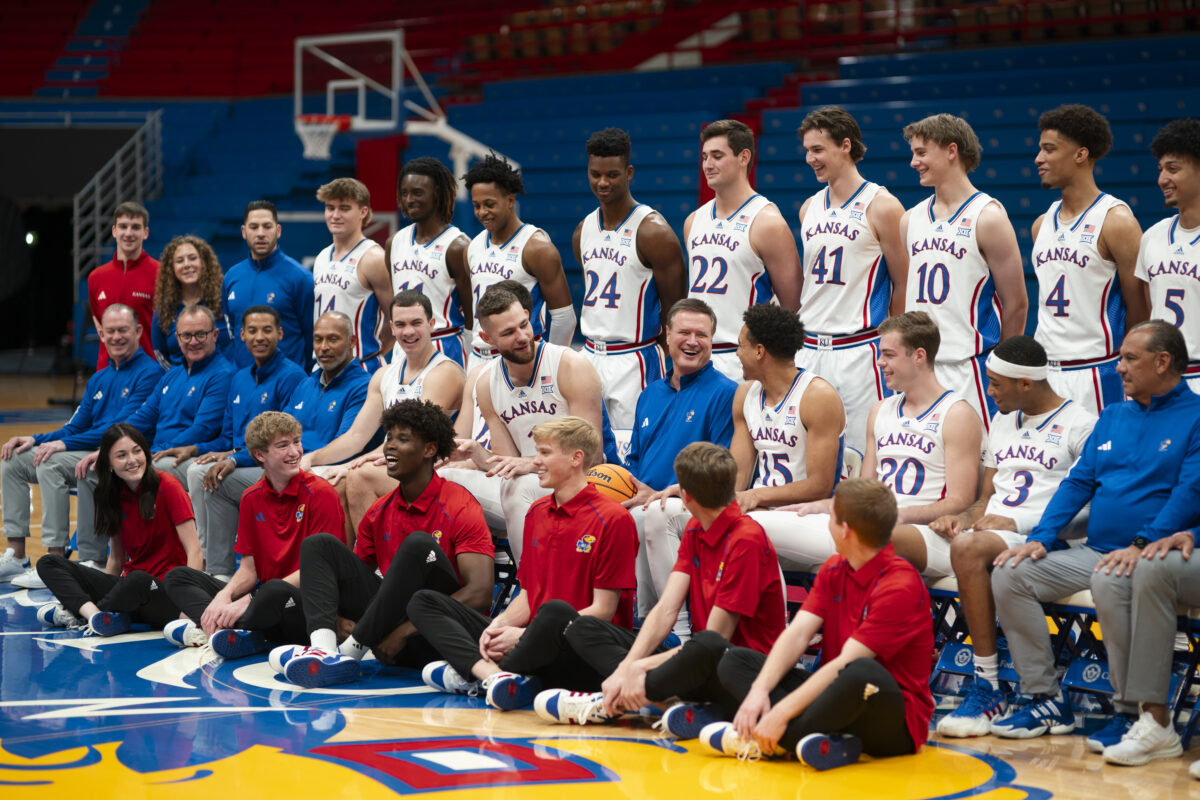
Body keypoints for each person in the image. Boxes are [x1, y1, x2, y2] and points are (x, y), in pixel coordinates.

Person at [990, 321, 1200, 745]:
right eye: (1119, 358)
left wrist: (1141, 543)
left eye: (1129, 359)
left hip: (1153, 554)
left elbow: (1188, 492)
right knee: (1011, 573)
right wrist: (1042, 537)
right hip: (1097, 550)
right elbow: (1078, 482)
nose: (1118, 368)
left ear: (1163, 362)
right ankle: (1045, 698)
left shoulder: (1195, 417)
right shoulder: (1112, 416)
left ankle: (1128, 710)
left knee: (1110, 577)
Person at [535, 442, 786, 738]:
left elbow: (716, 640)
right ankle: (669, 702)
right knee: (582, 627)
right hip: (697, 662)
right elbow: (666, 608)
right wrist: (629, 666)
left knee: (705, 647)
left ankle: (613, 702)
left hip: (737, 669)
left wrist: (639, 668)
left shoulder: (746, 540)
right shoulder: (695, 528)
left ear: (685, 496)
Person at [920, 336, 1095, 738]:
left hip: (1046, 540)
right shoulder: (1002, 420)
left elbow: (1091, 512)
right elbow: (985, 500)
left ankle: (987, 686)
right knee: (900, 541)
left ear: (1026, 384)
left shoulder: (1082, 425)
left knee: (968, 548)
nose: (989, 391)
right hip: (990, 536)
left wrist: (1019, 523)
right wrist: (960, 517)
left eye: (996, 383)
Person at [701, 479, 934, 771]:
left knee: (860, 671)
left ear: (845, 529)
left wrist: (781, 712)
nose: (827, 524)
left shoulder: (900, 585)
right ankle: (816, 739)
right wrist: (759, 690)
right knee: (735, 660)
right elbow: (797, 634)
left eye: (831, 517)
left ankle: (766, 739)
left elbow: (846, 664)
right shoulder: (835, 567)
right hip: (835, 695)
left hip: (892, 718)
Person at [410, 416, 637, 710]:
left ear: (576, 458)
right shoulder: (537, 512)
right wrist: (498, 627)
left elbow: (604, 611)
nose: (536, 461)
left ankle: (480, 674)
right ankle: (492, 675)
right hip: (531, 641)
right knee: (424, 601)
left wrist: (522, 637)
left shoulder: (613, 518)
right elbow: (529, 596)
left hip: (579, 649)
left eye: (545, 453)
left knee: (555, 612)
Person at [273, 399, 493, 687]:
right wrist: (336, 618)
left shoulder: (460, 504)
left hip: (439, 633)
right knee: (318, 545)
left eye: (403, 439)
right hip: (386, 633)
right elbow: (354, 579)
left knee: (417, 546)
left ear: (429, 450)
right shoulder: (380, 510)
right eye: (389, 437)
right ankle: (324, 651)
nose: (390, 446)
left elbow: (480, 594)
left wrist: (404, 630)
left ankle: (351, 651)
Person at [785, 311, 982, 574]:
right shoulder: (880, 410)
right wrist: (822, 506)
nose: (879, 362)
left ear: (919, 356)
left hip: (929, 534)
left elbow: (960, 500)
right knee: (759, 525)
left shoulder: (957, 414)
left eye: (889, 355)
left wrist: (899, 514)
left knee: (863, 539)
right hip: (875, 524)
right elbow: (864, 491)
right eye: (880, 354)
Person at [0, 305, 164, 585]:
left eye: (123, 330)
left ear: (138, 331)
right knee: (13, 458)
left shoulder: (150, 373)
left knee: (51, 463)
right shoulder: (99, 378)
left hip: (121, 455)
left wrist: (63, 444)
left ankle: (57, 560)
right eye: (110, 331)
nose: (116, 337)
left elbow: (118, 430)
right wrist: (36, 439)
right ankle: (17, 555)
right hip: (89, 450)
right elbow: (75, 426)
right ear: (101, 335)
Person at [199, 312, 370, 577]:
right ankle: (221, 574)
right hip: (285, 465)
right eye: (318, 339)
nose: (324, 347)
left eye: (333, 339)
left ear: (351, 342)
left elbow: (345, 444)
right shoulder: (307, 383)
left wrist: (304, 459)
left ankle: (317, 578)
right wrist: (235, 458)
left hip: (319, 470)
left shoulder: (362, 386)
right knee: (216, 481)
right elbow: (272, 436)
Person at [441, 287, 605, 561]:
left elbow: (591, 455)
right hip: (530, 485)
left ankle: (529, 583)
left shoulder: (570, 365)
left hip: (580, 483)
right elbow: (509, 464)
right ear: (487, 338)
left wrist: (535, 463)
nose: (522, 337)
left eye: (524, 325)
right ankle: (467, 577)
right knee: (441, 479)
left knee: (519, 487)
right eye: (508, 333)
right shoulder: (486, 383)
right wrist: (478, 456)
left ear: (529, 316)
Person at [161, 412, 346, 651]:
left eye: (297, 442)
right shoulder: (251, 497)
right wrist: (224, 596)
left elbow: (319, 571)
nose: (295, 452)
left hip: (300, 603)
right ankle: (239, 630)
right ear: (259, 454)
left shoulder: (321, 493)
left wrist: (251, 598)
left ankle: (229, 629)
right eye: (283, 445)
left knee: (275, 591)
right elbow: (248, 570)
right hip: (262, 601)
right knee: (178, 577)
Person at [75, 303, 234, 565]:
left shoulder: (222, 374)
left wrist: (146, 455)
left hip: (191, 458)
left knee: (136, 469)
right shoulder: (172, 376)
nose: (193, 341)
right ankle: (96, 560)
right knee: (97, 468)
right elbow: (142, 417)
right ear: (177, 338)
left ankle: (186, 558)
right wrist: (110, 448)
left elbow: (201, 430)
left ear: (215, 335)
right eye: (186, 335)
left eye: (200, 334)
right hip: (160, 455)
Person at [902, 114, 1028, 427]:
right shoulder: (910, 219)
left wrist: (1004, 369)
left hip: (970, 367)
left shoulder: (988, 217)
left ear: (951, 150)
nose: (913, 162)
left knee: (977, 457)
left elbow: (1016, 304)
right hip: (919, 366)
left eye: (921, 153)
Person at [621, 298, 738, 633]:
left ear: (712, 341)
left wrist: (672, 491)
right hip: (647, 503)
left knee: (651, 514)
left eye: (702, 335)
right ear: (667, 335)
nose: (692, 341)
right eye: (684, 332)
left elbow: (722, 470)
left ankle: (678, 629)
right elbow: (634, 462)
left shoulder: (726, 393)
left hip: (694, 506)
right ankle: (632, 622)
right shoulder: (649, 394)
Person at [795, 107, 908, 454]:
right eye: (807, 151)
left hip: (859, 350)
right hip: (808, 348)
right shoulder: (808, 207)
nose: (810, 159)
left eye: (818, 149)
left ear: (845, 145)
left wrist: (893, 343)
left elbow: (904, 283)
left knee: (862, 456)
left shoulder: (883, 206)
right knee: (806, 455)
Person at [307, 291, 465, 535]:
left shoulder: (445, 372)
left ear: (432, 324)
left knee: (359, 477)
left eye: (416, 323)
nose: (408, 332)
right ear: (391, 327)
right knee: (332, 484)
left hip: (430, 466)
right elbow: (356, 436)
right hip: (394, 462)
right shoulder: (384, 375)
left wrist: (352, 464)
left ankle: (377, 557)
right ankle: (351, 559)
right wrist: (311, 458)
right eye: (400, 324)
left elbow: (413, 437)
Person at [162, 306, 306, 569]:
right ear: (241, 335)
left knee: (207, 476)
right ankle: (211, 565)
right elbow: (228, 438)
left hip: (272, 466)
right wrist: (196, 449)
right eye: (252, 330)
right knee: (197, 468)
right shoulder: (240, 378)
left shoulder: (292, 376)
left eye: (267, 330)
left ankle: (211, 563)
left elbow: (283, 443)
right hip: (243, 459)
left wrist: (235, 459)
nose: (259, 337)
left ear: (280, 333)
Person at [1031, 104, 1147, 413]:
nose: (1038, 158)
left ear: (1080, 154)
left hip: (1099, 370)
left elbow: (1140, 310)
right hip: (1045, 371)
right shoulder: (1041, 225)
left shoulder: (1116, 221)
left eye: (1049, 149)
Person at [34, 424, 201, 634]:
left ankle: (82, 613)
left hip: (163, 592)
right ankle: (95, 615)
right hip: (128, 590)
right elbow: (115, 559)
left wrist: (188, 604)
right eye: (121, 455)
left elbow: (195, 551)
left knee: (138, 579)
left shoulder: (168, 485)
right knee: (48, 562)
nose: (132, 460)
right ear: (110, 464)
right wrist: (107, 587)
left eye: (137, 451)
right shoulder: (111, 494)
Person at [573, 127, 686, 430]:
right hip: (589, 355)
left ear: (629, 173)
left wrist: (666, 358)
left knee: (635, 447)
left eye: (612, 174)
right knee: (583, 446)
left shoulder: (653, 231)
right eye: (595, 174)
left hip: (635, 358)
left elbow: (675, 309)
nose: (602, 182)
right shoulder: (583, 230)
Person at [684, 119, 802, 381]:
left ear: (743, 157)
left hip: (742, 359)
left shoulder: (767, 222)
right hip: (696, 354)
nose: (708, 164)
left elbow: (792, 305)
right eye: (704, 157)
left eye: (717, 156)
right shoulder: (693, 221)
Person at [733, 304, 846, 568]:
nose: (736, 353)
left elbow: (819, 485)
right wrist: (692, 492)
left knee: (735, 530)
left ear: (759, 351)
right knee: (672, 516)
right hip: (760, 512)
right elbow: (737, 476)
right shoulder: (745, 394)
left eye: (740, 346)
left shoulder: (817, 396)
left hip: (811, 517)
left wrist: (756, 497)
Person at [463, 153, 575, 370]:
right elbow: (471, 318)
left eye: (489, 204)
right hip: (479, 360)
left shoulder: (537, 247)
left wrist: (550, 365)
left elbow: (564, 318)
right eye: (477, 205)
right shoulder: (472, 247)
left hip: (522, 359)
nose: (482, 212)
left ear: (510, 200)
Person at [1135, 118, 1200, 393]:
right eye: (1160, 169)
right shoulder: (1152, 236)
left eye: (1173, 169)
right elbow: (1148, 311)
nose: (1162, 179)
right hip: (1159, 378)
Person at [388, 157, 473, 366]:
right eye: (404, 193)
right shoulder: (394, 242)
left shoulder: (458, 246)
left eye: (417, 193)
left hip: (444, 344)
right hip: (403, 348)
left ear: (437, 194)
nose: (409, 200)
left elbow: (472, 314)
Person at [312, 178, 394, 370]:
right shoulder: (322, 256)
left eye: (344, 208)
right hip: (323, 367)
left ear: (363, 212)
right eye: (330, 208)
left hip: (360, 367)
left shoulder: (373, 258)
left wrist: (371, 352)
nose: (335, 215)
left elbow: (395, 320)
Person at [223, 200, 315, 370]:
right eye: (253, 227)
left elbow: (313, 339)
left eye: (267, 226)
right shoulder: (231, 278)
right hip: (242, 382)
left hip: (289, 383)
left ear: (278, 231)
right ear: (244, 232)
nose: (260, 233)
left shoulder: (301, 279)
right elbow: (231, 336)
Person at [88, 201, 158, 368]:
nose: (128, 233)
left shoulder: (161, 274)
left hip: (147, 373)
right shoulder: (96, 277)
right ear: (114, 231)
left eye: (135, 227)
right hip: (107, 372)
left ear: (145, 233)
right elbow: (99, 323)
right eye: (123, 226)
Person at [151, 235, 234, 366]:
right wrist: (178, 376)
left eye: (192, 258)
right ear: (171, 268)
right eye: (179, 261)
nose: (187, 265)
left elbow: (238, 341)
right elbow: (160, 354)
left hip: (224, 376)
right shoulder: (164, 310)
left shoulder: (224, 301)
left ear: (204, 262)